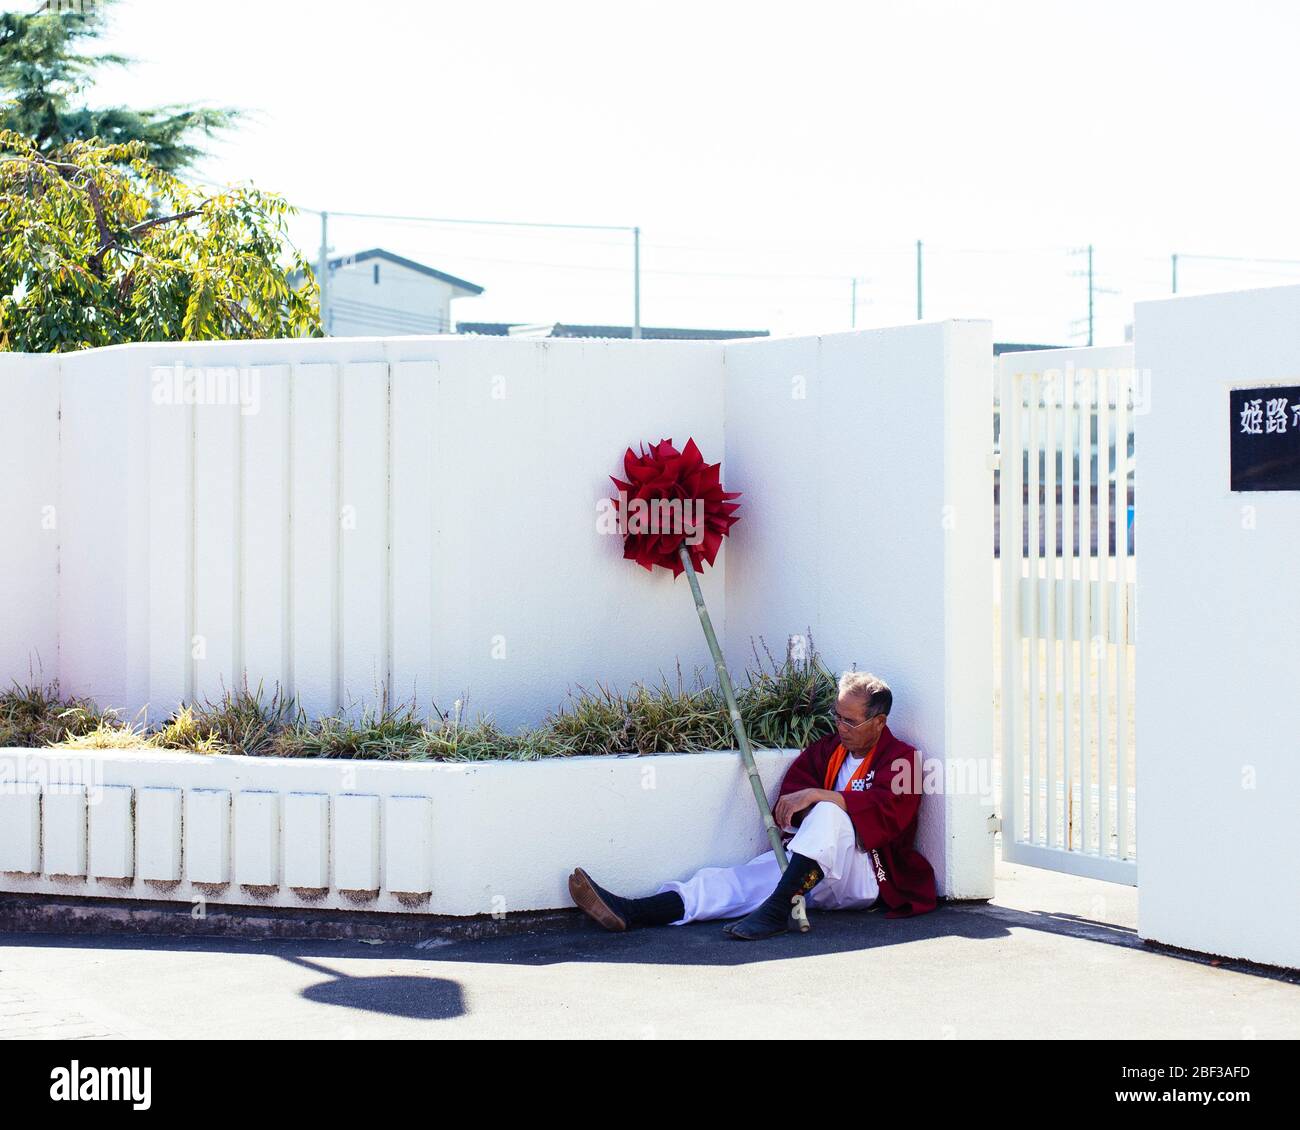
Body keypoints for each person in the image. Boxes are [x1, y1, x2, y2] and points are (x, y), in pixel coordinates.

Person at [568, 671, 937, 941]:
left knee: (829, 812)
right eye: (836, 715)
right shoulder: (829, 749)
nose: (839, 726)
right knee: (737, 882)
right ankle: (634, 911)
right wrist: (808, 801)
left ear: (880, 721)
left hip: (869, 873)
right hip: (815, 870)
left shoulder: (904, 758)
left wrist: (820, 798)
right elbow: (792, 798)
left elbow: (890, 814)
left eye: (850, 720)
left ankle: (777, 912)